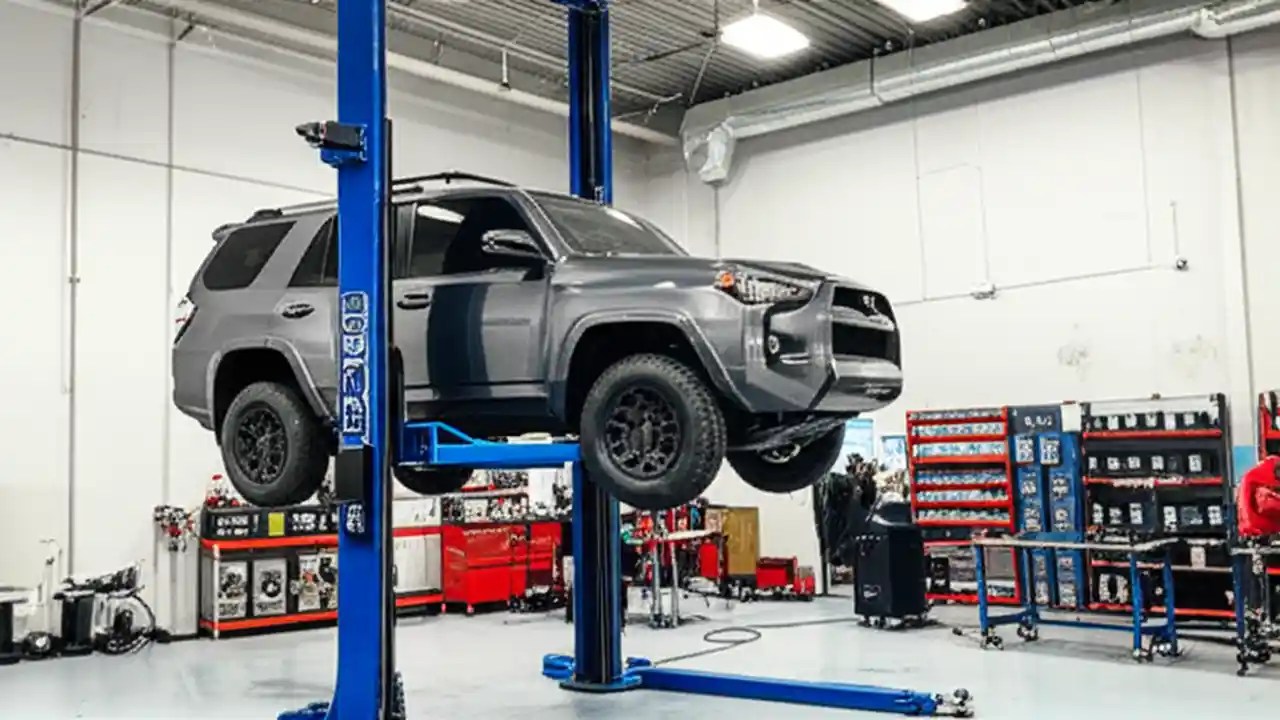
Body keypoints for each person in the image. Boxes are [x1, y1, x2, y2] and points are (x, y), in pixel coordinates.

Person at [1237, 455, 1280, 537]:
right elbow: (1267, 505)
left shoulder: (1250, 477)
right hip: (1261, 529)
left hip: (1252, 529)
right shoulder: (1257, 480)